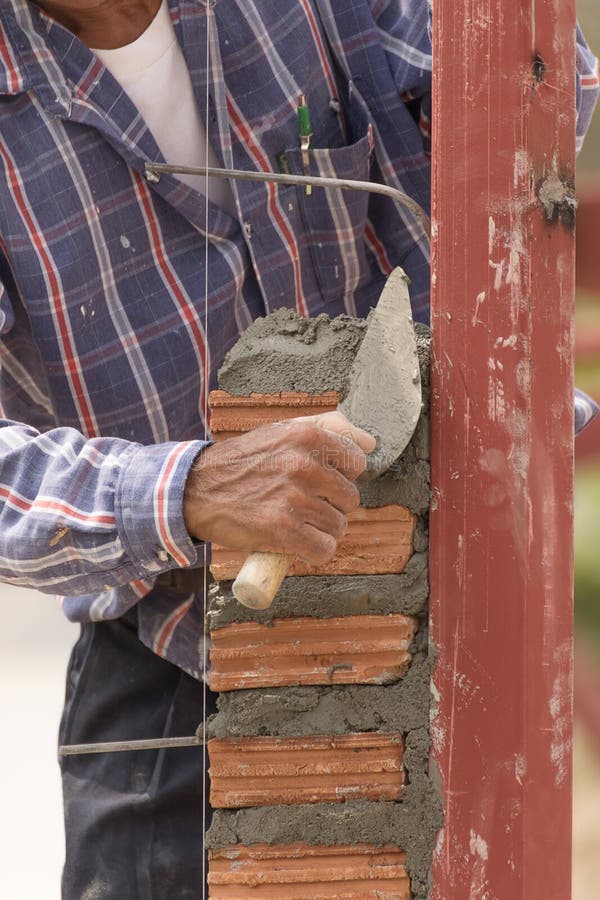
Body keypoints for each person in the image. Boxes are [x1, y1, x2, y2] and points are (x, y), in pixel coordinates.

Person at [0, 1, 597, 896]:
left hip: (440, 605)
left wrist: (499, 91)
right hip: (172, 646)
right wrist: (188, 486)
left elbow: (546, 84)